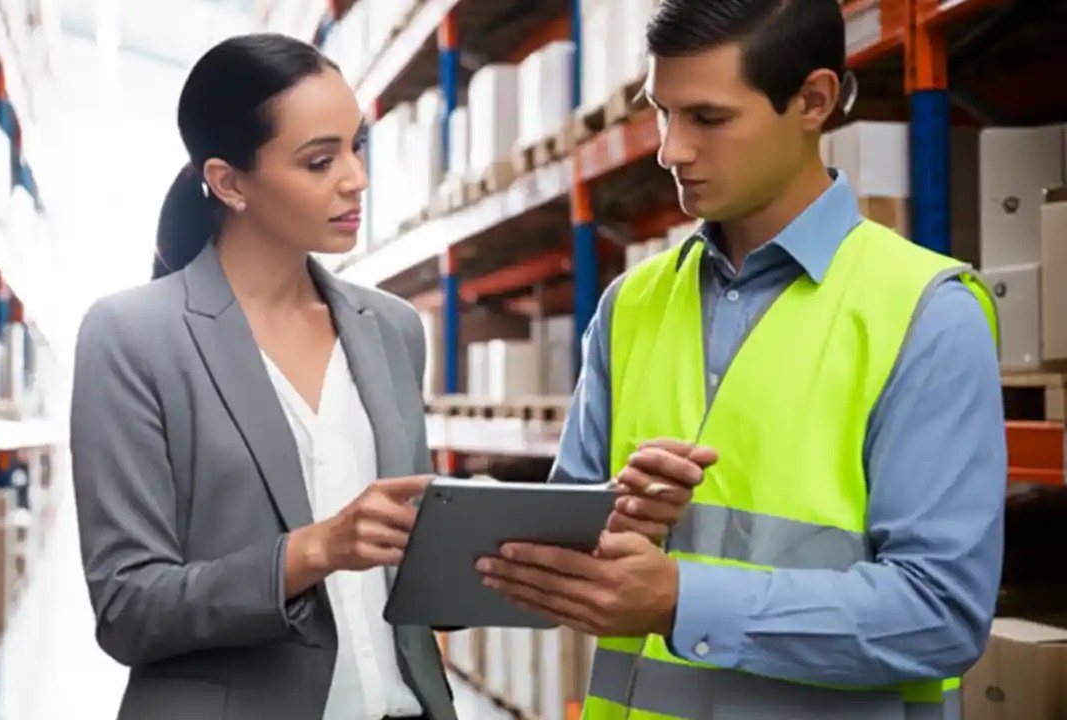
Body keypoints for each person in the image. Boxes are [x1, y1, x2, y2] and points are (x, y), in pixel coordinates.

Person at [476, 1, 1007, 718]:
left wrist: (679, 599)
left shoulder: (928, 313)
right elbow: (571, 552)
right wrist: (617, 521)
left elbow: (939, 613)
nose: (670, 149)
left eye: (708, 118)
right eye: (662, 112)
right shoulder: (629, 307)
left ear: (813, 100)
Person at [70, 33, 456, 720]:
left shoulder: (392, 329)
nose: (356, 178)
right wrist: (313, 551)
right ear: (228, 182)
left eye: (356, 145)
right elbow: (128, 608)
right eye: (319, 160)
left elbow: (414, 576)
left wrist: (521, 543)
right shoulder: (132, 336)